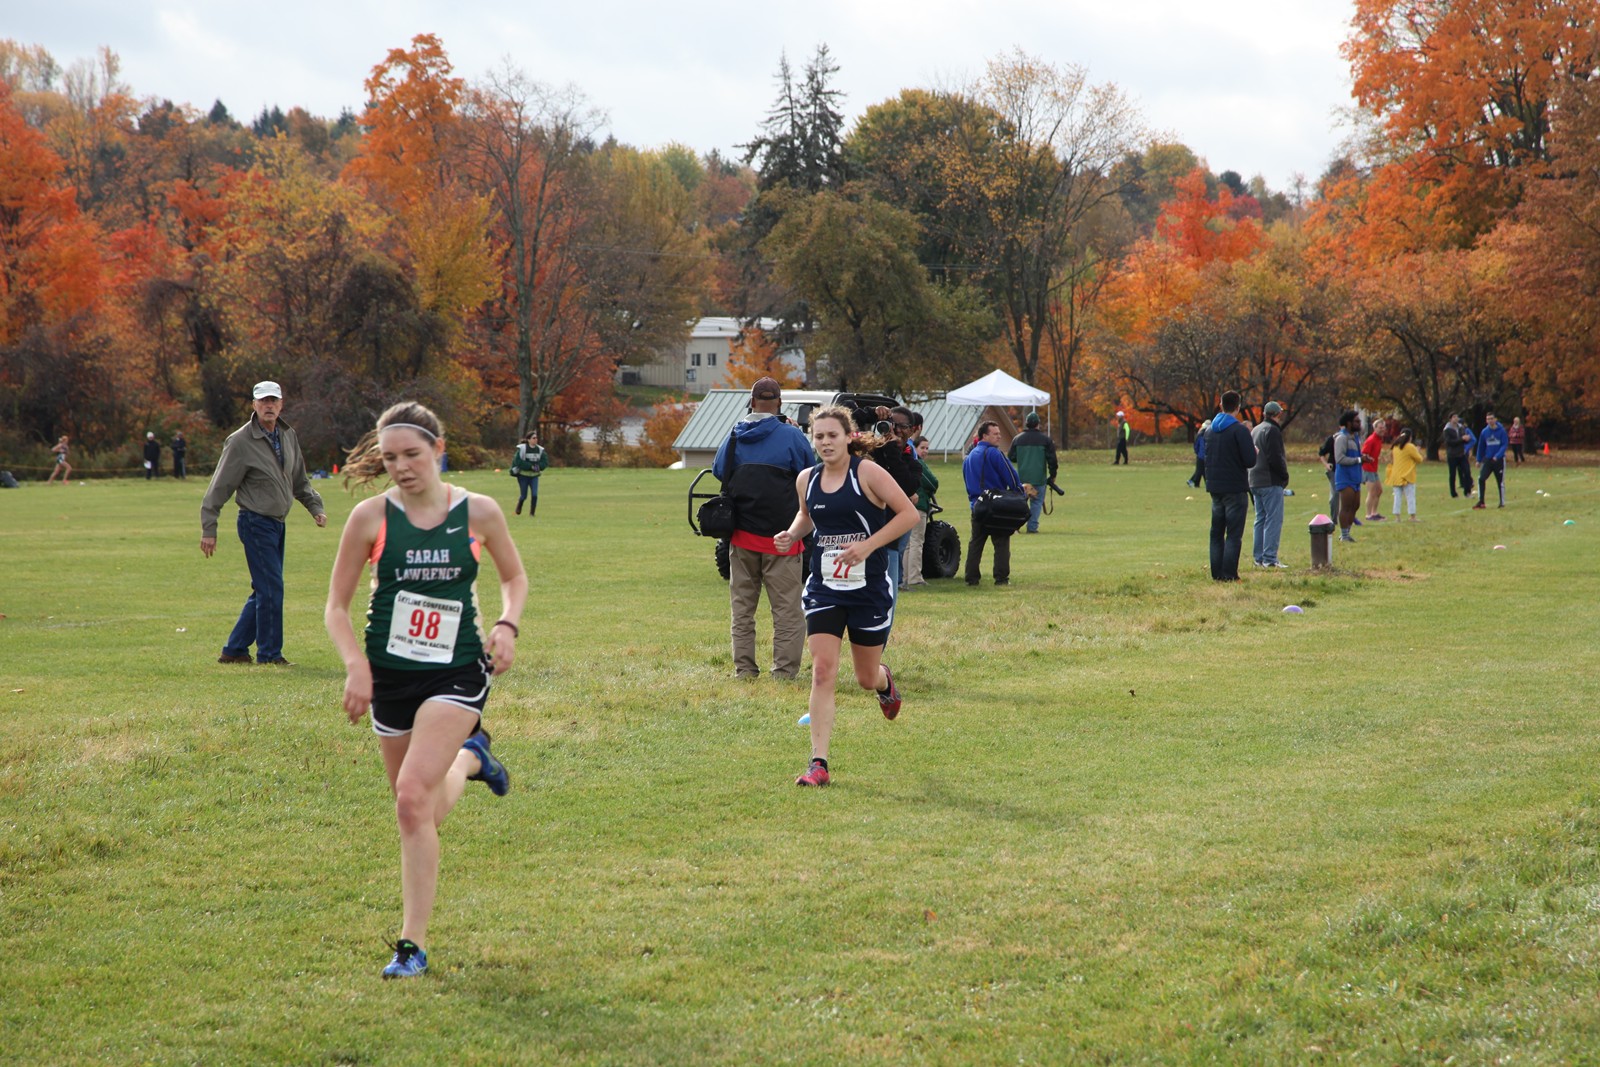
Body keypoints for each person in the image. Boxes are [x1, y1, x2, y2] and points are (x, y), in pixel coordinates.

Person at [324, 401, 526, 979]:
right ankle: (471, 759)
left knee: (412, 795)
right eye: (389, 458)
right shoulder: (369, 517)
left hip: (456, 670)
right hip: (389, 675)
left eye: (411, 454)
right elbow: (336, 608)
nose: (402, 467)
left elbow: (514, 576)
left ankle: (410, 946)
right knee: (422, 812)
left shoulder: (479, 512)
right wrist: (355, 666)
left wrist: (507, 625)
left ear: (439, 450)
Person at [773, 406, 917, 787]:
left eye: (831, 435)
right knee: (822, 671)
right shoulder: (807, 479)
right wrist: (791, 533)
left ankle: (886, 685)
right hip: (824, 587)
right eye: (818, 436)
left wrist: (867, 546)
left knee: (866, 678)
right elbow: (807, 517)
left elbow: (908, 515)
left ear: (849, 436)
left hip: (868, 589)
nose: (824, 442)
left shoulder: (867, 473)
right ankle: (818, 764)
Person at [200, 381, 328, 666]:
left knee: (264, 588)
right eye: (263, 401)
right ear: (254, 405)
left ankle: (234, 650)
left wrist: (314, 507)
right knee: (271, 588)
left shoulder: (288, 435)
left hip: (277, 524)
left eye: (273, 401)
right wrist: (209, 528)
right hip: (254, 522)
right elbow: (219, 487)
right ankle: (270, 655)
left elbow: (299, 479)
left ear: (281, 404)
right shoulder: (240, 441)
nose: (269, 406)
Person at [712, 377, 817, 680]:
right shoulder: (792, 436)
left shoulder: (734, 436)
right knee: (786, 611)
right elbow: (810, 472)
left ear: (752, 402)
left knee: (742, 610)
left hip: (742, 536)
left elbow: (721, 471)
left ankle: (744, 670)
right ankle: (783, 672)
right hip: (783, 538)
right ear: (780, 404)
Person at [962, 421, 1025, 586]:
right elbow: (1011, 476)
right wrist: (1019, 493)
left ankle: (971, 577)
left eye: (999, 433)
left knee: (976, 542)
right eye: (995, 434)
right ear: (985, 436)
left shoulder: (969, 457)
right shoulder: (994, 453)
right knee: (1001, 541)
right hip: (995, 505)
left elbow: (967, 481)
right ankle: (1001, 577)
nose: (999, 436)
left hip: (976, 504)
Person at [1204, 391, 1257, 581]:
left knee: (1216, 532)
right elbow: (1250, 460)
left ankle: (1217, 573)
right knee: (1234, 534)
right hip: (1235, 487)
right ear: (1238, 407)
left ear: (1220, 405)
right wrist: (1254, 450)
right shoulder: (1239, 430)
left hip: (1215, 486)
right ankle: (1229, 574)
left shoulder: (1209, 430)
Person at [1249, 401, 1290, 568]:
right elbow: (1275, 457)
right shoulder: (1272, 430)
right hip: (1269, 479)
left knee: (1260, 518)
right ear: (1277, 414)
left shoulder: (1256, 429)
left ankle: (1259, 557)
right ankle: (1270, 558)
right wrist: (1284, 475)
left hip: (1254, 478)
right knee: (1274, 518)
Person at [1008, 411, 1058, 534]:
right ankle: (1032, 527)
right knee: (1036, 502)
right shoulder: (1045, 440)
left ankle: (1015, 526)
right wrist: (1053, 475)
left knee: (1020, 503)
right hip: (1039, 478)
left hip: (1022, 478)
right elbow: (1052, 460)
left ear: (1027, 424)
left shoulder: (1017, 439)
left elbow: (1011, 457)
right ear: (1038, 424)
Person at [903, 436, 936, 588]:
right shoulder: (917, 464)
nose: (925, 451)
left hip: (905, 507)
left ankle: (905, 576)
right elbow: (932, 482)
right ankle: (915, 577)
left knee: (908, 543)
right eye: (922, 448)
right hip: (919, 506)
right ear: (915, 448)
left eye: (927, 448)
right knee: (916, 541)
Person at [1332, 410, 1365, 542]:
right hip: (1345, 477)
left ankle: (1348, 533)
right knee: (1345, 506)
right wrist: (1359, 460)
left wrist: (1362, 459)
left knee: (1355, 505)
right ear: (1348, 423)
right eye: (1357, 421)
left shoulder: (1355, 438)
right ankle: (1343, 535)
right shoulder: (1341, 438)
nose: (1359, 423)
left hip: (1355, 476)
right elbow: (1339, 459)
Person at [1386, 428, 1425, 521]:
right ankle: (1412, 516)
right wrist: (1417, 451)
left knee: (1397, 497)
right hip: (1407, 475)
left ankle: (1397, 517)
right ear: (1410, 437)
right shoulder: (1410, 447)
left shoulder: (1395, 446)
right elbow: (1419, 459)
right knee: (1410, 496)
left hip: (1395, 475)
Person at [1473, 412, 1510, 509]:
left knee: (1500, 481)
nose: (1490, 421)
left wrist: (1498, 456)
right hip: (1488, 460)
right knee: (1481, 478)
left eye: (1491, 419)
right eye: (1488, 419)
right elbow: (1481, 446)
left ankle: (1502, 502)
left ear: (1495, 419)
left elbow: (1504, 445)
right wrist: (1478, 459)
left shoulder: (1501, 431)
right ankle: (1481, 502)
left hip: (1499, 460)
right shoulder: (1484, 432)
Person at [509, 432, 549, 517]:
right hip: (523, 476)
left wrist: (539, 467)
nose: (536, 440)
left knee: (534, 495)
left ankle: (532, 513)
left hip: (534, 476)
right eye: (533, 438)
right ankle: (519, 505)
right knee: (524, 496)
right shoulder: (522, 449)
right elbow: (518, 461)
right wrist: (530, 467)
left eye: (536, 438)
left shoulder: (540, 450)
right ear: (528, 440)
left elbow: (545, 462)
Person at [1442, 413, 1474, 499]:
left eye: (1457, 417)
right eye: (1454, 417)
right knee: (1453, 474)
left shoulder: (1461, 427)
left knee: (1467, 472)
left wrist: (1466, 439)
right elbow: (1449, 442)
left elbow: (1462, 440)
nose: (1456, 419)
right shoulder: (1447, 430)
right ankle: (1453, 493)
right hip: (1452, 455)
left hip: (1461, 454)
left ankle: (1467, 492)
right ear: (1450, 419)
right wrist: (1461, 439)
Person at [1361, 417, 1387, 522]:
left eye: (1383, 428)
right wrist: (1369, 458)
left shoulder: (1379, 440)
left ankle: (1374, 513)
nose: (1382, 430)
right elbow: (1363, 454)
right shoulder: (1371, 440)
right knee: (1371, 492)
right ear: (1374, 428)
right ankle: (1368, 515)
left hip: (1374, 468)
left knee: (1379, 490)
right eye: (1380, 428)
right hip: (1367, 468)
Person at [1186, 420, 1209, 488]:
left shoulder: (1199, 435)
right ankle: (1192, 481)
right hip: (1204, 455)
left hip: (1200, 455)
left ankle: (1196, 483)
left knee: (1202, 470)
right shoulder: (1208, 435)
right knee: (1201, 470)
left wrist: (1197, 452)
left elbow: (1196, 446)